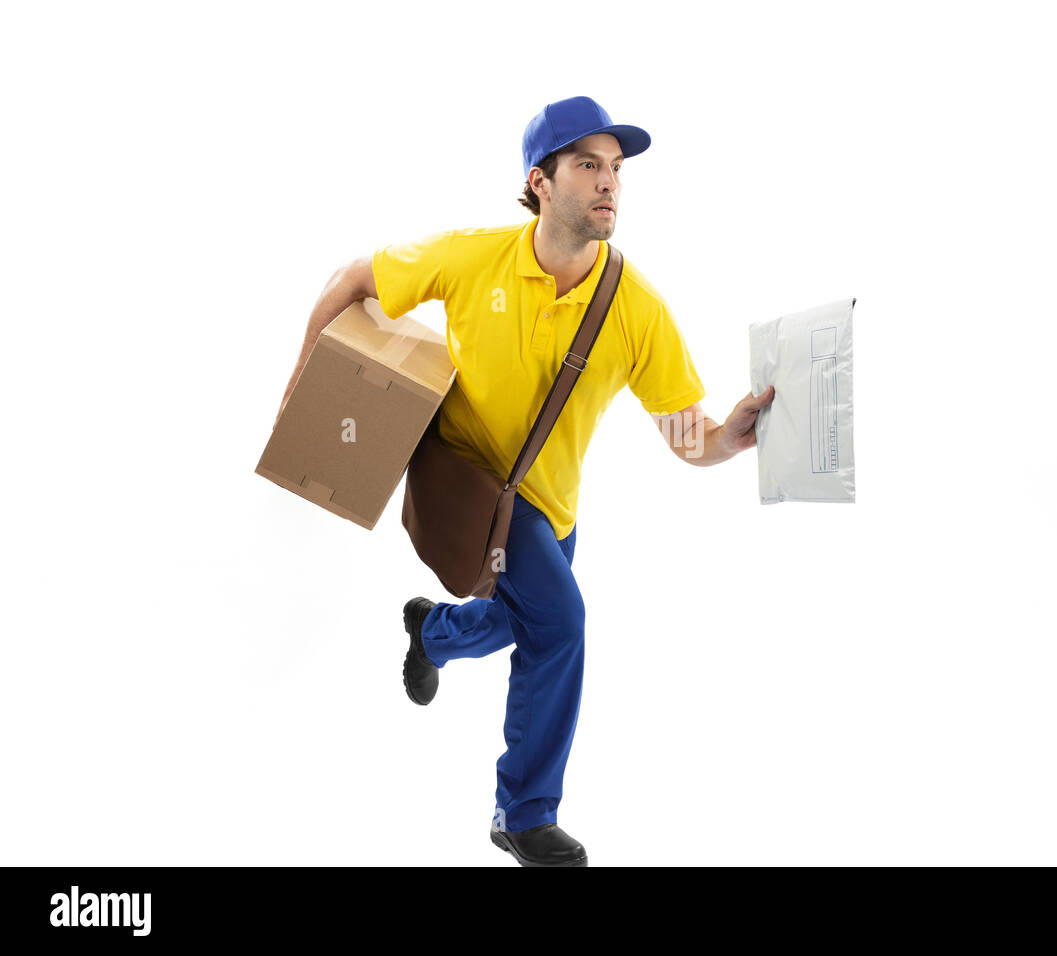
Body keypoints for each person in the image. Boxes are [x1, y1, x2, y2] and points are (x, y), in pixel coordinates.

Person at [276, 96, 775, 866]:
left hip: (548, 506)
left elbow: (686, 434)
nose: (609, 183)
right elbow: (352, 278)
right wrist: (300, 393)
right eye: (587, 166)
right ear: (539, 182)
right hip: (463, 481)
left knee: (520, 621)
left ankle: (431, 631)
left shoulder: (637, 308)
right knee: (562, 623)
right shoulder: (473, 257)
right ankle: (524, 810)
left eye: (615, 169)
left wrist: (727, 440)